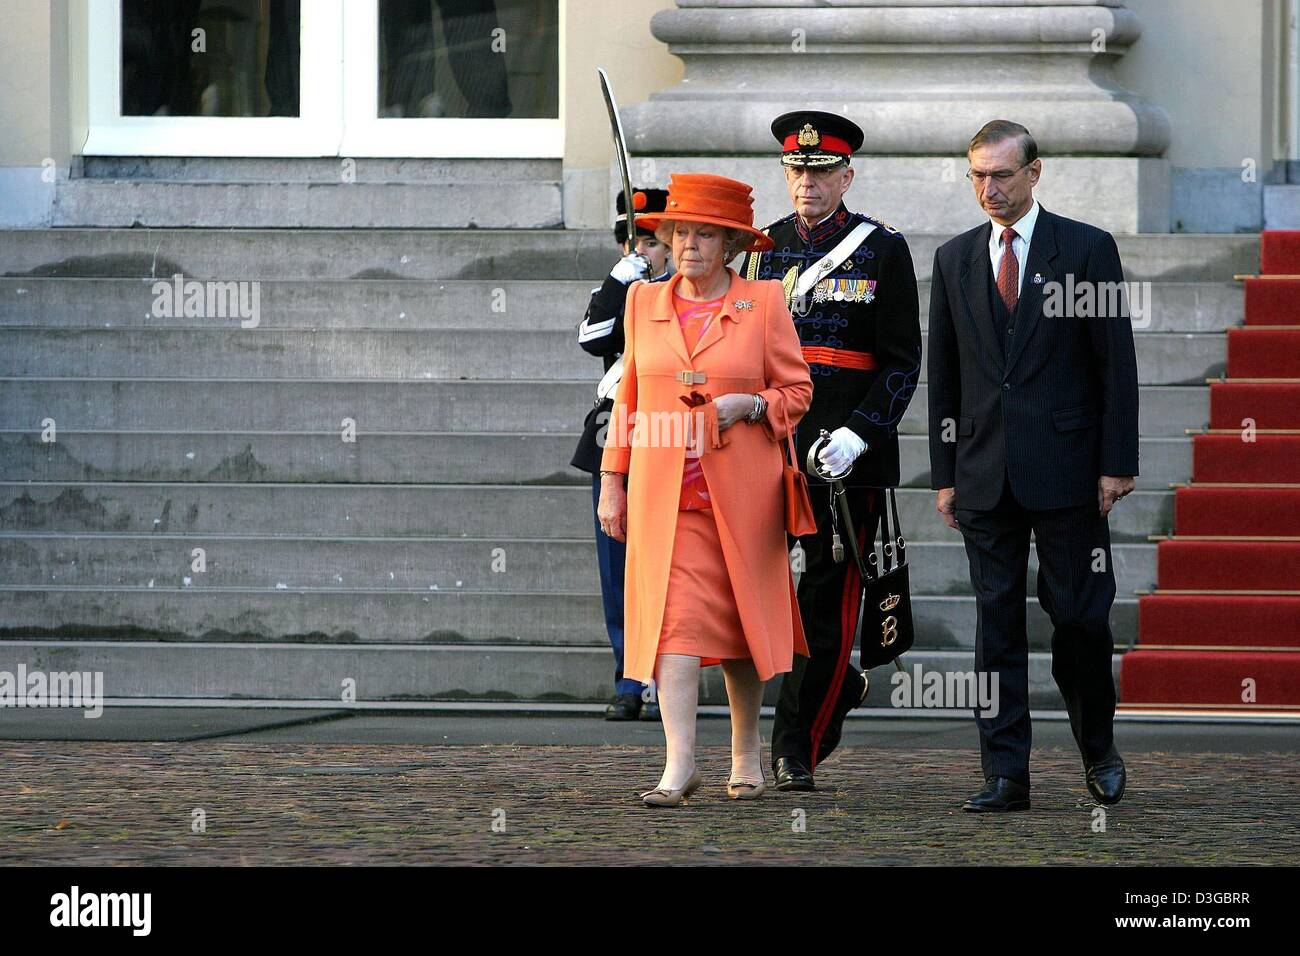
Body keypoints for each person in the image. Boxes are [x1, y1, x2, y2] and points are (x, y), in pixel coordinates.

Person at [927, 120, 1139, 812]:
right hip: (985, 471)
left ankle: (1097, 747)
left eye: (1002, 175)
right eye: (979, 176)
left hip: (1071, 469)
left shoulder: (1085, 248)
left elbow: (1116, 364)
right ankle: (1006, 773)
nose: (990, 188)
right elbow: (947, 376)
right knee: (996, 625)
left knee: (1079, 618)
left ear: (1034, 173)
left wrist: (1117, 461)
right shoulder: (955, 259)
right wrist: (945, 472)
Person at [597, 173, 813, 806]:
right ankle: (680, 763)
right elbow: (628, 401)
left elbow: (798, 393)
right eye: (680, 231)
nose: (689, 244)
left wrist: (749, 404)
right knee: (677, 627)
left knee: (742, 626)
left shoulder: (765, 302)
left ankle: (747, 756)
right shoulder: (642, 303)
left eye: (704, 233)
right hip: (669, 498)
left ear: (730, 244)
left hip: (745, 498)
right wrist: (614, 482)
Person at [740, 111, 922, 792]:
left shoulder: (882, 249)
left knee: (827, 595)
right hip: (768, 444)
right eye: (796, 171)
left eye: (820, 173)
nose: (807, 184)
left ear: (846, 175)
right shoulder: (758, 249)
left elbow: (903, 362)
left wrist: (861, 432)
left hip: (844, 453)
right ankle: (831, 681)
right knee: (758, 590)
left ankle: (796, 747)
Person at [571, 187, 672, 721]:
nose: (644, 252)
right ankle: (629, 680)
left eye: (654, 242)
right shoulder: (614, 290)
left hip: (670, 430)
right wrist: (618, 283)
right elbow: (591, 339)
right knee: (617, 567)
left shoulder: (681, 292)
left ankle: (662, 679)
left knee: (664, 563)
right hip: (617, 430)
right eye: (634, 240)